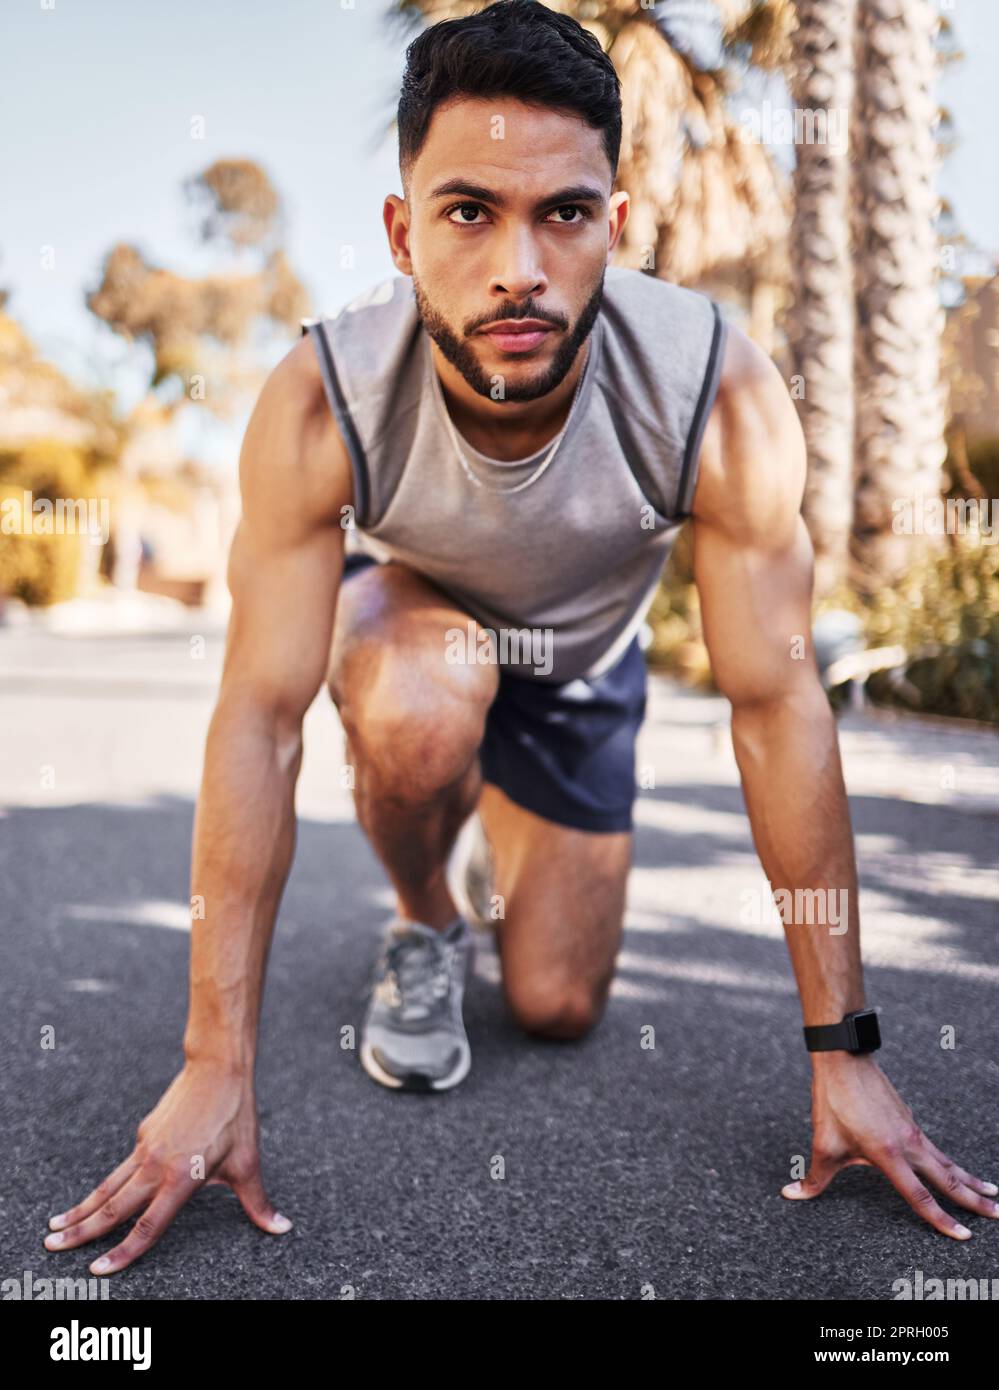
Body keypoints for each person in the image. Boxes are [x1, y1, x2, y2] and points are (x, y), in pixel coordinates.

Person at [44, 0, 998, 1277]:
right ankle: (428, 916)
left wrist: (849, 1053)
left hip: (587, 665)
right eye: (467, 211)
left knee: (554, 1004)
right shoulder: (321, 400)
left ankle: (513, 823)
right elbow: (261, 720)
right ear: (401, 232)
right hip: (418, 637)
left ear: (615, 220)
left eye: (564, 212)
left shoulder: (717, 391)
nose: (519, 267)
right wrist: (214, 1063)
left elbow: (777, 706)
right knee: (429, 690)